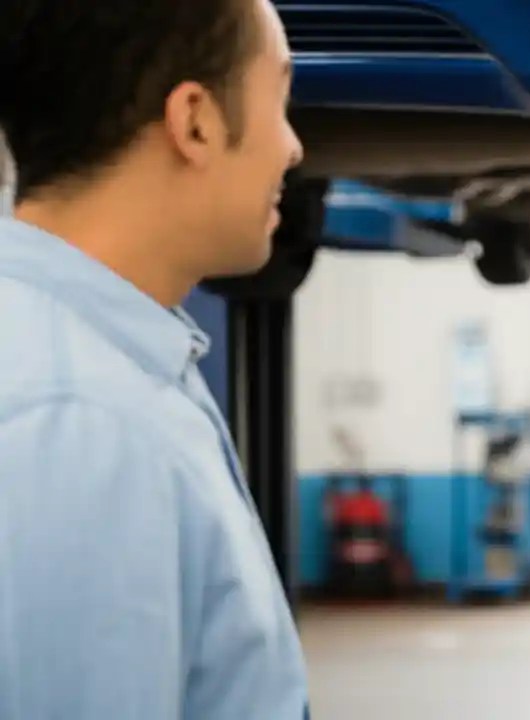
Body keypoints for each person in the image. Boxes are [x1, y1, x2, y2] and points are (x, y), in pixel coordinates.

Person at [0, 1, 308, 718]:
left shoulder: (111, 361)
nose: (293, 147)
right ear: (195, 121)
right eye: (281, 98)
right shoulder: (80, 423)